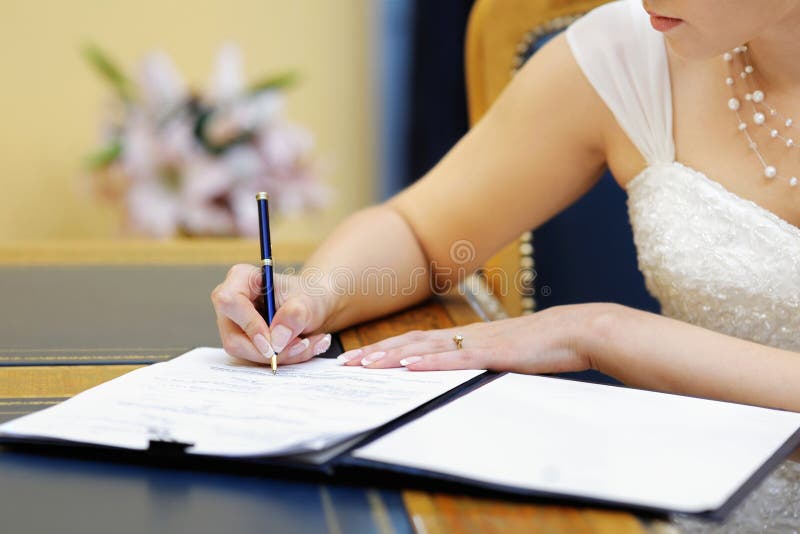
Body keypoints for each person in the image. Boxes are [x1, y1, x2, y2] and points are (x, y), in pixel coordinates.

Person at [213, 1, 800, 529]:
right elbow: (419, 231)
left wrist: (602, 333)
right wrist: (312, 295)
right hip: (696, 501)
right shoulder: (630, 52)